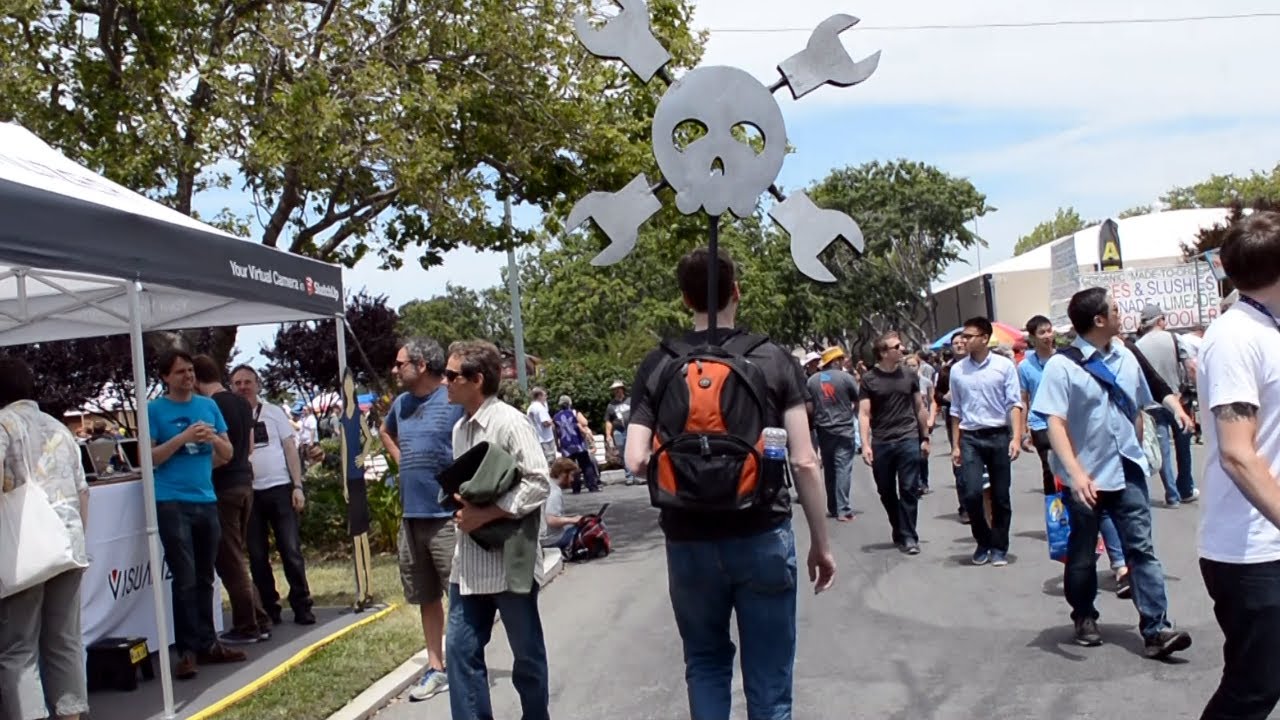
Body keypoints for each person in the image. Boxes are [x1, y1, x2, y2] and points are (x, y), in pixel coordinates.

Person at [625, 248, 836, 720]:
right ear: (736, 291)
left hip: (688, 539)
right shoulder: (773, 358)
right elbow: (804, 461)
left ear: (685, 299)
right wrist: (821, 544)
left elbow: (636, 459)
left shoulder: (659, 363)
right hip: (762, 531)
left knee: (705, 663)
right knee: (770, 683)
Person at [1032, 287, 1191, 658]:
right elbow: (1054, 422)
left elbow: (1143, 399)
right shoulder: (1062, 366)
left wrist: (1171, 415)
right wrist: (1075, 474)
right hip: (1086, 477)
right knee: (1084, 553)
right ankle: (1084, 614)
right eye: (1115, 309)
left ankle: (1156, 629)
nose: (1122, 314)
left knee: (1142, 549)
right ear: (1098, 319)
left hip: (1127, 469)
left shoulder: (1126, 355)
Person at [1196, 211, 1280, 718]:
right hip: (1253, 553)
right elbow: (1236, 451)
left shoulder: (1267, 329)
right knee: (1254, 690)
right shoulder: (1236, 336)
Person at [443, 340, 552, 720]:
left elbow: (539, 482)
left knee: (527, 656)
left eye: (452, 375)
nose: (445, 382)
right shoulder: (459, 429)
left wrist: (486, 513)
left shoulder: (509, 422)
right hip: (468, 562)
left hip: (509, 560)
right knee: (459, 652)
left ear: (476, 379)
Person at [0, 357, 91, 720]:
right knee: (64, 642)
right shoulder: (60, 428)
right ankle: (71, 715)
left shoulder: (4, 424)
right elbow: (83, 491)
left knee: (18, 649)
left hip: (24, 550)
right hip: (68, 546)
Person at [149, 349, 245, 679]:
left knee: (206, 576)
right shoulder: (154, 410)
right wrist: (183, 438)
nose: (188, 376)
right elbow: (149, 458)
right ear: (165, 377)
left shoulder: (208, 406)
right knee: (185, 577)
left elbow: (229, 452)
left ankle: (208, 643)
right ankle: (187, 651)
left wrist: (213, 439)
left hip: (206, 498)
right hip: (171, 501)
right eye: (180, 372)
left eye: (190, 371)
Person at [378, 337, 464, 702]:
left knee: (459, 597)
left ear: (422, 365)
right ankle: (436, 667)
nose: (394, 370)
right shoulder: (401, 404)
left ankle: (463, 665)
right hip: (411, 518)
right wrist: (402, 461)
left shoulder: (452, 400)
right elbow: (385, 432)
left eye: (400, 364)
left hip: (446, 518)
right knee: (426, 597)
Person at [229, 365, 316, 628]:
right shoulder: (230, 416)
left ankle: (302, 605)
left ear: (257, 384)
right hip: (249, 493)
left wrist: (297, 485)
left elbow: (290, 448)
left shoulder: (273, 412)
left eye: (247, 382)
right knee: (257, 556)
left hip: (279, 489)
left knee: (291, 551)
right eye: (237, 383)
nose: (243, 387)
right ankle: (269, 607)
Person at [193, 354, 270, 646]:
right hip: (245, 481)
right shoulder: (241, 403)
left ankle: (247, 625)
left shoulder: (210, 406)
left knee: (230, 560)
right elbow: (248, 447)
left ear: (196, 380)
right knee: (237, 555)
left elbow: (220, 452)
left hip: (223, 486)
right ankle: (259, 618)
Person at [949, 317, 1024, 567]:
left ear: (984, 338)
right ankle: (983, 541)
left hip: (998, 435)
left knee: (1000, 496)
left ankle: (999, 546)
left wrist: (1016, 437)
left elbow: (1014, 403)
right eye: (963, 336)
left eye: (969, 336)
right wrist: (955, 445)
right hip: (971, 437)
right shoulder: (958, 370)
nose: (964, 341)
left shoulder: (1004, 366)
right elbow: (956, 410)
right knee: (971, 493)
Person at [860, 332, 930, 554]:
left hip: (907, 437)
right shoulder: (869, 379)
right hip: (882, 440)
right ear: (883, 353)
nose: (902, 349)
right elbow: (864, 414)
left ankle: (909, 536)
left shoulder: (909, 375)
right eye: (897, 347)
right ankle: (899, 526)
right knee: (886, 490)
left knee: (909, 488)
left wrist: (925, 436)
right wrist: (865, 444)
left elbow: (919, 407)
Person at [1135, 304, 1199, 507]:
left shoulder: (1138, 346)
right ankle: (1186, 489)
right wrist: (1194, 389)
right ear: (1160, 320)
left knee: (1163, 451)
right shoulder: (1174, 339)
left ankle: (1171, 495)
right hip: (1178, 401)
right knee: (1183, 447)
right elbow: (1190, 367)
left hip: (1152, 404)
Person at [806, 346, 859, 521]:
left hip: (823, 429)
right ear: (835, 361)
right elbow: (858, 400)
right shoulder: (846, 378)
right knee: (843, 467)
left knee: (829, 468)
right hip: (844, 428)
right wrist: (855, 415)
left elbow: (809, 406)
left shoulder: (812, 381)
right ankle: (843, 509)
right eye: (841, 359)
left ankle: (833, 507)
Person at [1020, 315, 1058, 496]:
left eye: (1049, 331)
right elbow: (1023, 400)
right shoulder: (1025, 367)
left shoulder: (1063, 360)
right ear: (1032, 338)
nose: (1047, 336)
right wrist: (1023, 431)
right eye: (1042, 332)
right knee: (1049, 466)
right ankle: (1054, 506)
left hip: (1065, 419)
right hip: (1040, 423)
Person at [935, 331, 970, 522]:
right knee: (960, 461)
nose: (959, 345)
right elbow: (937, 395)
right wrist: (945, 398)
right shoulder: (946, 371)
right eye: (955, 343)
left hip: (979, 421)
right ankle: (965, 506)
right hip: (956, 421)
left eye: (962, 341)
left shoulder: (977, 365)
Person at [553, 395, 600, 493]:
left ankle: (576, 488)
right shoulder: (574, 412)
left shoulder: (556, 417)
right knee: (586, 465)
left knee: (571, 467)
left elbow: (556, 433)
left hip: (566, 446)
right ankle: (592, 486)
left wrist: (557, 445)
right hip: (578, 443)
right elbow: (585, 422)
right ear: (569, 403)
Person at [905, 354, 936, 495]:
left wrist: (931, 418)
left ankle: (924, 481)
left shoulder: (926, 382)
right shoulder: (902, 382)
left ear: (919, 366)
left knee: (923, 454)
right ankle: (915, 483)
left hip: (923, 421)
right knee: (912, 454)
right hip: (908, 423)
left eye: (914, 365)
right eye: (908, 366)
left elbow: (932, 401)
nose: (911, 368)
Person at [542, 457, 584, 551]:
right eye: (571, 475)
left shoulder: (547, 485)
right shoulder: (554, 492)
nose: (572, 479)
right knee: (588, 529)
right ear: (563, 474)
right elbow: (551, 520)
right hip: (551, 539)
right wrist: (573, 520)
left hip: (543, 536)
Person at [604, 380, 637, 486]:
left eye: (618, 389)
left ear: (622, 389)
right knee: (623, 454)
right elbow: (608, 421)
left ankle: (638, 474)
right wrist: (608, 435)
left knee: (634, 451)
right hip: (618, 431)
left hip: (631, 429)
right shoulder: (611, 405)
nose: (616, 391)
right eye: (614, 390)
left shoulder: (630, 401)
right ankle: (629, 476)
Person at [526, 387, 557, 465]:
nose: (546, 397)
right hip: (546, 439)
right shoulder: (540, 408)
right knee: (550, 462)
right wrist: (552, 421)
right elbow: (545, 423)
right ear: (539, 396)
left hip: (536, 438)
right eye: (545, 395)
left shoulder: (531, 407)